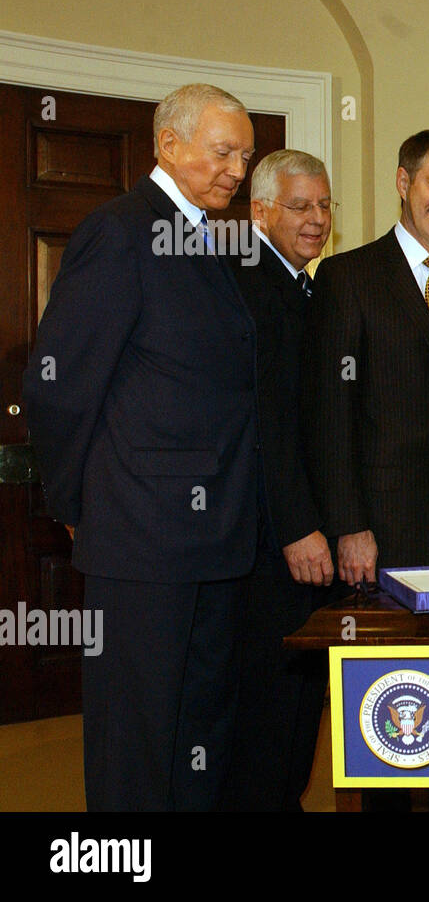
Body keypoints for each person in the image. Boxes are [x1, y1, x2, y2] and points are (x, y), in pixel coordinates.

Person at [22, 83, 258, 810]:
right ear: (168, 144)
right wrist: (75, 503)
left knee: (198, 731)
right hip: (142, 536)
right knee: (137, 742)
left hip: (217, 537)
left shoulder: (206, 238)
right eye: (222, 152)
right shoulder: (120, 230)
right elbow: (59, 384)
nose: (236, 171)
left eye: (246, 157)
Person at [302, 129, 429, 589]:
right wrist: (350, 526)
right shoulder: (349, 277)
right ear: (403, 182)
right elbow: (331, 415)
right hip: (385, 531)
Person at [225, 149, 337, 811]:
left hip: (299, 542)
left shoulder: (304, 285)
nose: (318, 219)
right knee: (266, 714)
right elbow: (267, 423)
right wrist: (298, 525)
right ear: (260, 211)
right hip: (268, 546)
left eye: (325, 205)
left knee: (300, 706)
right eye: (301, 206)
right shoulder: (248, 287)